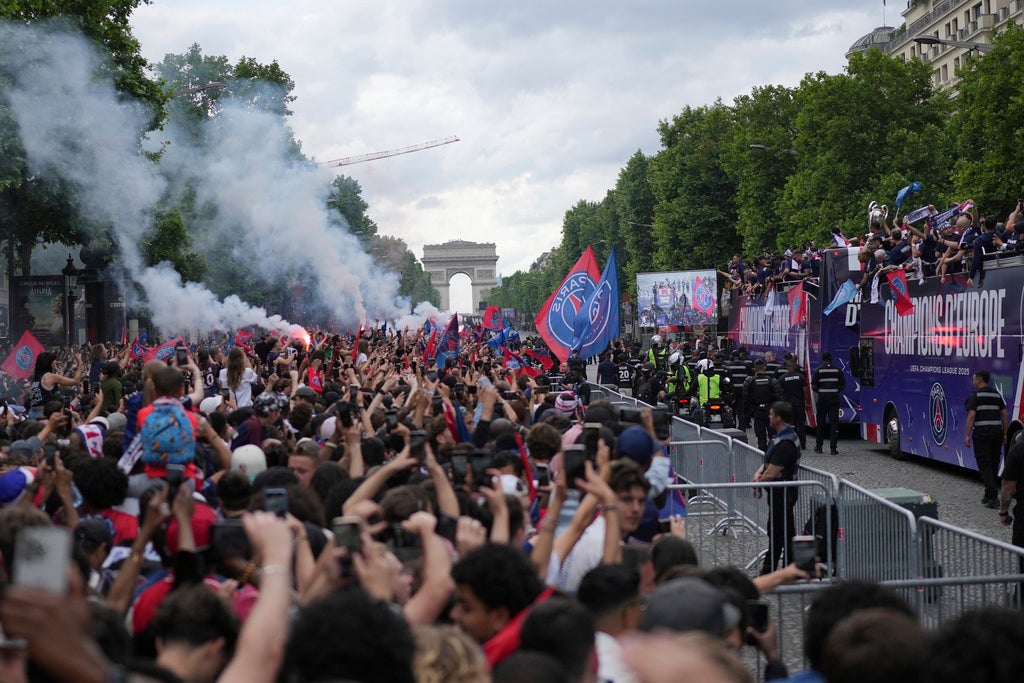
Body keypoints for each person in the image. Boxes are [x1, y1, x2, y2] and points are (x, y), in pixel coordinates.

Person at [754, 402, 800, 575]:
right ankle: (785, 569)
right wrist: (759, 472)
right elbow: (769, 461)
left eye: (771, 414)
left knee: (780, 533)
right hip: (779, 492)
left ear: (779, 418)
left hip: (782, 493)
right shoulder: (781, 437)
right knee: (782, 532)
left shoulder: (785, 443)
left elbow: (773, 471)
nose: (769, 416)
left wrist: (758, 482)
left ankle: (773, 571)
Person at [964, 369, 1007, 509]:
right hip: (997, 433)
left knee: (984, 465)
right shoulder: (996, 394)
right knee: (993, 464)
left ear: (979, 380)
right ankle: (988, 495)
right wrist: (1005, 433)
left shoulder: (974, 395)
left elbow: (971, 415)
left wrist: (967, 434)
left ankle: (993, 497)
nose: (973, 381)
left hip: (982, 434)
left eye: (974, 379)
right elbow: (1005, 415)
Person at [26, 351, 82, 419]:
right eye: (54, 360)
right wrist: (80, 364)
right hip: (43, 414)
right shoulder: (51, 377)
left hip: (32, 412)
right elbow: (76, 381)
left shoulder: (36, 377)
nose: (56, 362)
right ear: (49, 362)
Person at [812, 351, 844, 455]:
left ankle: (819, 447)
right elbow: (842, 385)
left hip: (822, 400)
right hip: (834, 400)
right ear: (831, 358)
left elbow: (813, 386)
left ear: (823, 359)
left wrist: (821, 392)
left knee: (820, 424)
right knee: (834, 424)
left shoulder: (819, 370)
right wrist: (835, 391)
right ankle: (833, 449)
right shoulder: (837, 370)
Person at [743, 359, 779, 451]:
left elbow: (745, 397)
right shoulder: (771, 380)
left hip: (757, 411)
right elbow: (778, 395)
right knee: (773, 435)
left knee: (761, 436)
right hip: (770, 410)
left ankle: (762, 453)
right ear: (765, 368)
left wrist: (748, 411)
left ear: (755, 369)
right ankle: (772, 452)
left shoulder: (750, 381)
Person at [778, 354, 810, 449]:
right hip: (799, 404)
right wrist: (808, 403)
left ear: (787, 368)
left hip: (788, 405)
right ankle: (802, 444)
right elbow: (806, 392)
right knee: (801, 424)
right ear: (794, 367)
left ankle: (791, 443)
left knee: (790, 424)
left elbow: (779, 392)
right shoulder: (801, 377)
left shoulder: (782, 378)